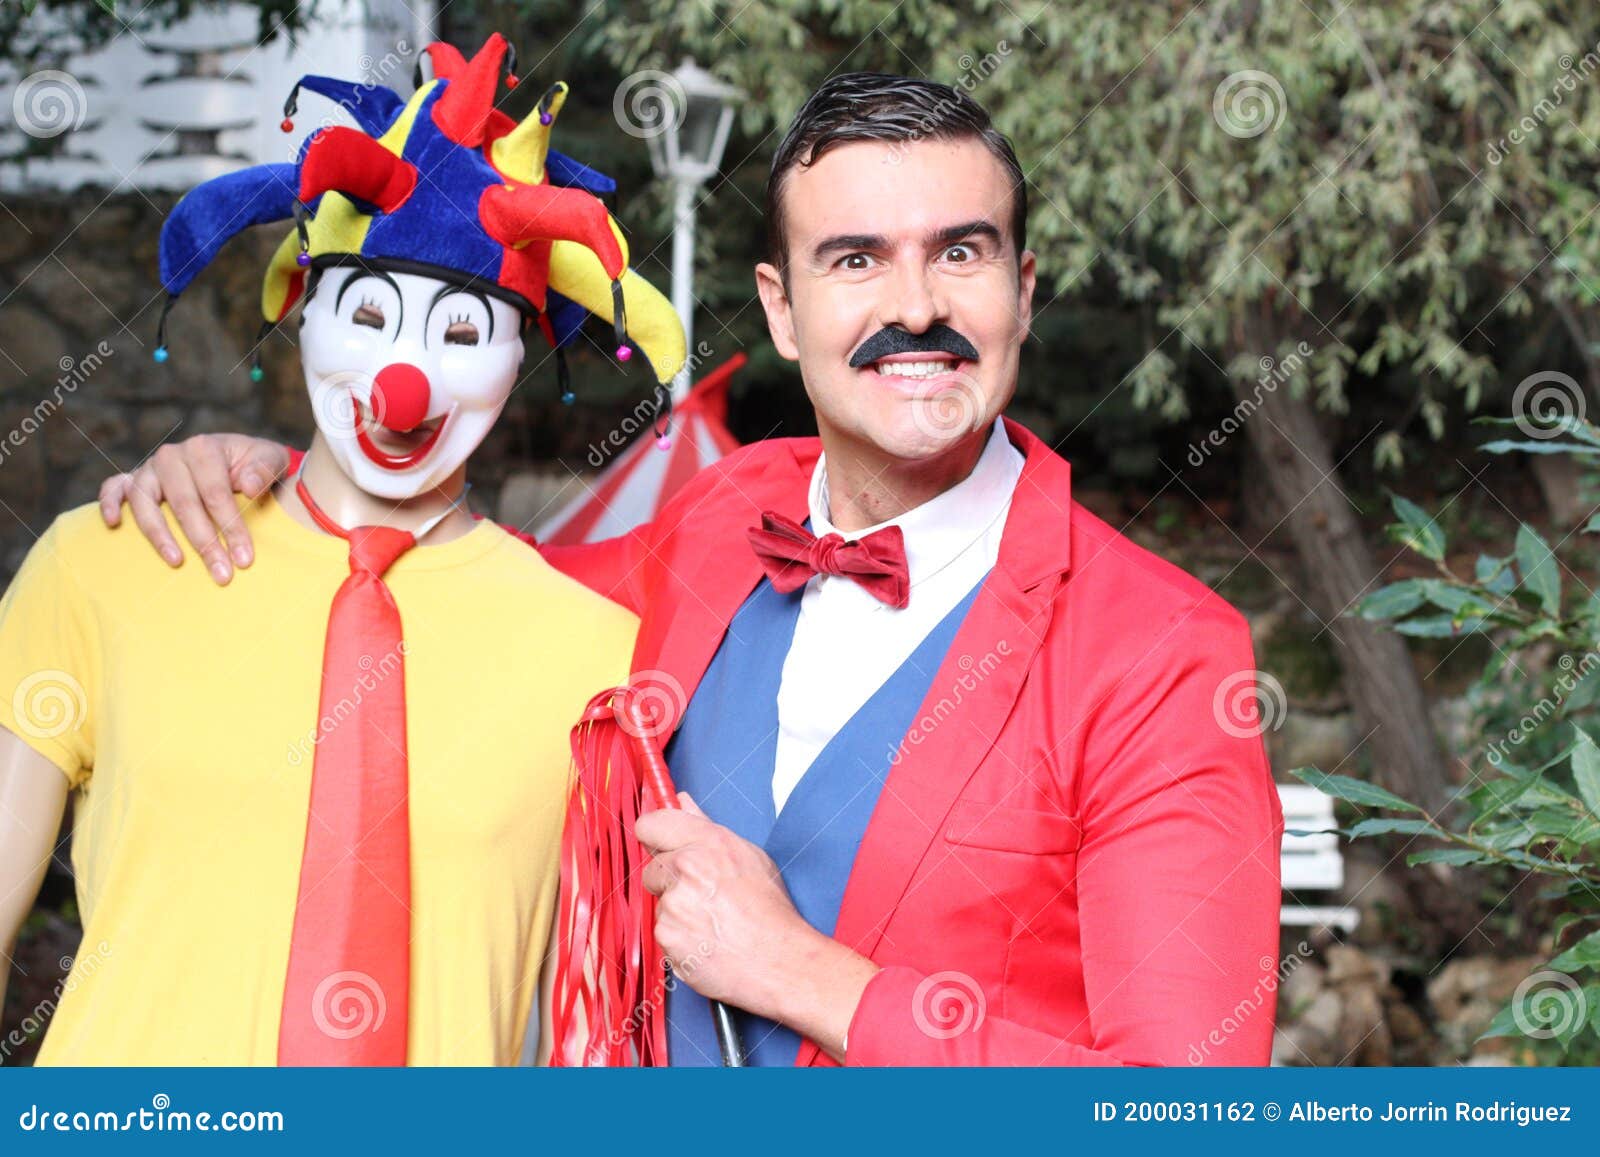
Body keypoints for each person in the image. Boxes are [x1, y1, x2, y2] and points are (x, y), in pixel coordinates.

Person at [95, 72, 1284, 1066]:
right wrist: (274, 479)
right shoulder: (718, 517)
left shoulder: (1163, 652)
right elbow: (450, 590)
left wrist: (810, 977)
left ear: (1022, 292)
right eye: (855, 259)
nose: (915, 306)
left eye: (959, 253)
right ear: (780, 307)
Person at [0, 33, 685, 1065]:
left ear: (518, 361)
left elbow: (582, 1023)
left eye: (461, 336)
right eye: (368, 314)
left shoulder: (600, 654)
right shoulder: (109, 559)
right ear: (303, 312)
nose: (406, 381)